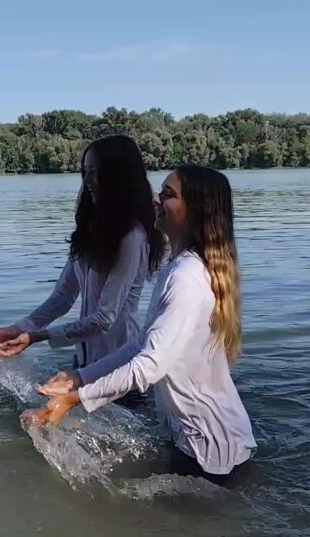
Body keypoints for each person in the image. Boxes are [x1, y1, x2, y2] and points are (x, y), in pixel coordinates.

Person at [26, 165, 256, 486]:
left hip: (212, 450)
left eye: (168, 194)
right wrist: (79, 377)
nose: (155, 198)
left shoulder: (186, 277)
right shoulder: (180, 267)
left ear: (196, 211)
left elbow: (148, 366)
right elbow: (142, 346)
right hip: (204, 441)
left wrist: (75, 400)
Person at [0, 135, 166, 373]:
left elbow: (105, 319)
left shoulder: (133, 237)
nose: (88, 180)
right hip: (83, 361)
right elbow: (63, 296)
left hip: (121, 366)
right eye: (85, 171)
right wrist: (20, 328)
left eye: (95, 171)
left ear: (118, 177)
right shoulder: (92, 231)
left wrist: (37, 336)